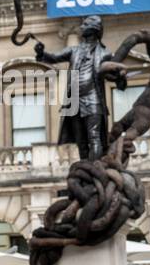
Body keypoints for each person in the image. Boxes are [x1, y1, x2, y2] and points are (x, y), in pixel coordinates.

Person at [33, 15, 127, 160]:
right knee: (81, 142)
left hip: (94, 99)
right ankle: (87, 170)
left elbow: (117, 81)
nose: (82, 27)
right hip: (75, 101)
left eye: (86, 24)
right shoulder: (73, 50)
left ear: (94, 29)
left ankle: (95, 168)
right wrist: (41, 52)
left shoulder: (105, 54)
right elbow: (53, 58)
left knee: (94, 137)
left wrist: (121, 77)